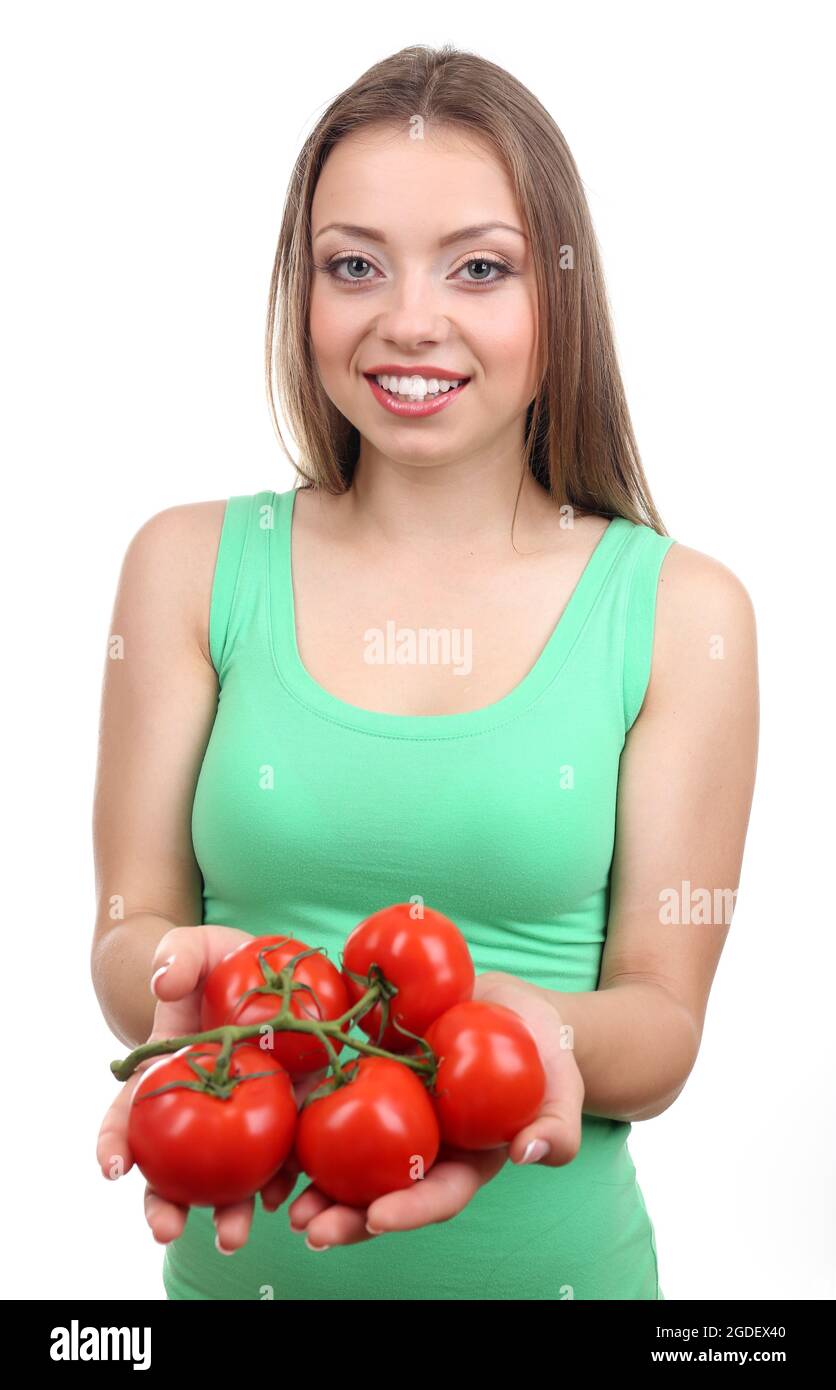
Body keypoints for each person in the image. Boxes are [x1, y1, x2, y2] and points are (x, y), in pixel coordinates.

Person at [92, 43, 759, 1300]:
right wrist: (182, 981)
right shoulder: (187, 566)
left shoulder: (677, 610)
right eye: (354, 265)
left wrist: (523, 1026)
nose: (408, 319)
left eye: (479, 266)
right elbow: (129, 929)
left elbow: (662, 1024)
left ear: (555, 296)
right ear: (304, 292)